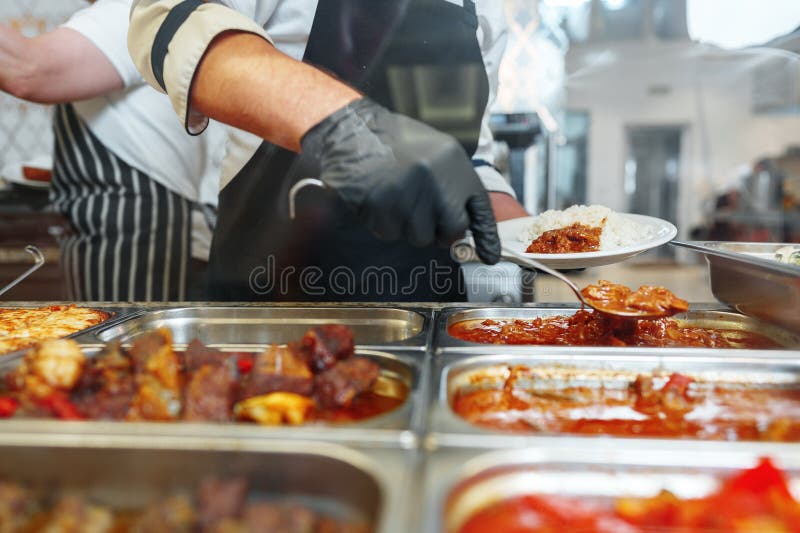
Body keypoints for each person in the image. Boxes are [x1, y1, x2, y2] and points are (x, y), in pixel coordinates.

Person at [129, 0, 528, 301]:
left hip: (427, 315)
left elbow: (469, 160)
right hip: (272, 311)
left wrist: (538, 239)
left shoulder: (486, 8)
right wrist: (342, 126)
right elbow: (169, 20)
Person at [0, 0, 226, 301]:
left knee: (120, 338)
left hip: (134, 230)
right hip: (115, 225)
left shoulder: (133, 12)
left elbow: (26, 69)